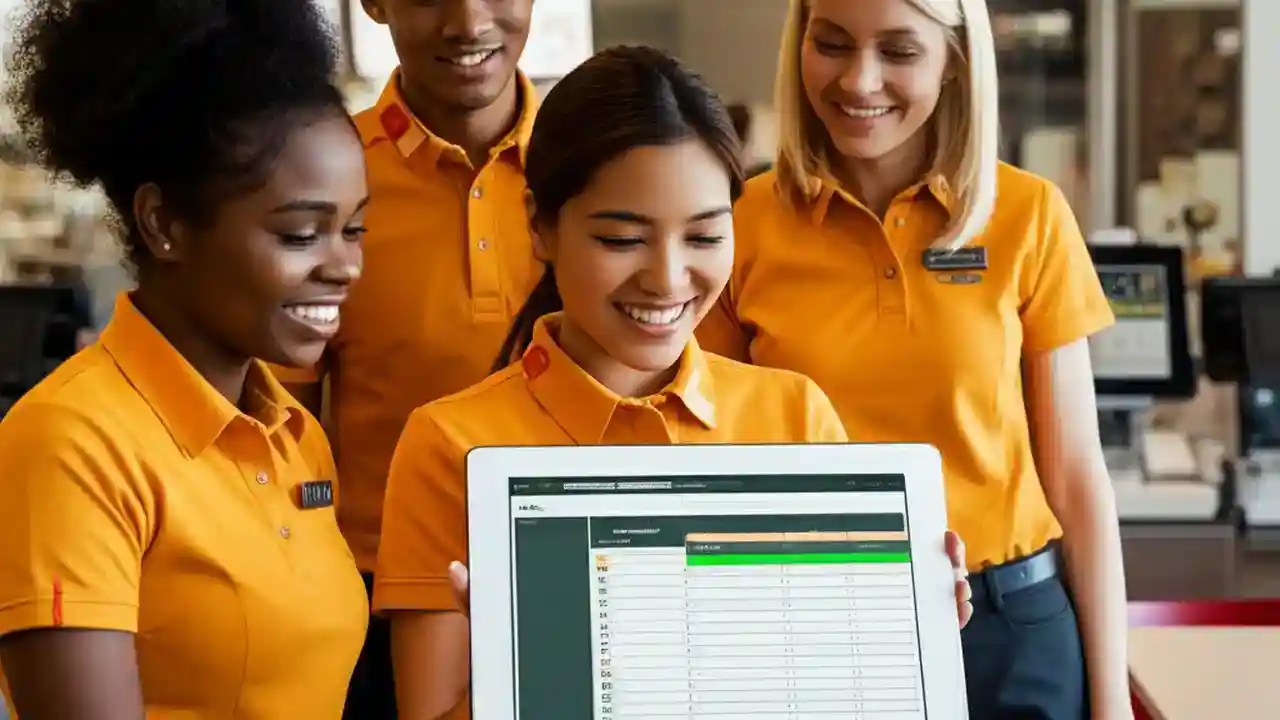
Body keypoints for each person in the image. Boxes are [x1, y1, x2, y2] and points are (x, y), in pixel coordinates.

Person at [370, 45, 974, 720]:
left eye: (704, 237)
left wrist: (896, 643)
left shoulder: (794, 415)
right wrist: (529, 662)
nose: (667, 278)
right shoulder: (451, 445)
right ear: (538, 225)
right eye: (622, 240)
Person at [696, 1, 1130, 718]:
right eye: (831, 44)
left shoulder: (1029, 216)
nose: (858, 81)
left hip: (1013, 632)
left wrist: (1112, 700)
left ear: (955, 60)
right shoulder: (740, 225)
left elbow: (1078, 478)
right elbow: (716, 472)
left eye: (898, 51)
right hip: (816, 629)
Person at [0, 1, 368, 718]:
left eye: (354, 228)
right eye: (301, 234)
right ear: (163, 224)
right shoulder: (70, 445)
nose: (346, 265)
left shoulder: (295, 436)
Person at [271, 2, 541, 713]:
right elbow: (278, 432)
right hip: (374, 609)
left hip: (574, 576)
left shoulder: (596, 173)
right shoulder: (323, 176)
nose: (468, 21)